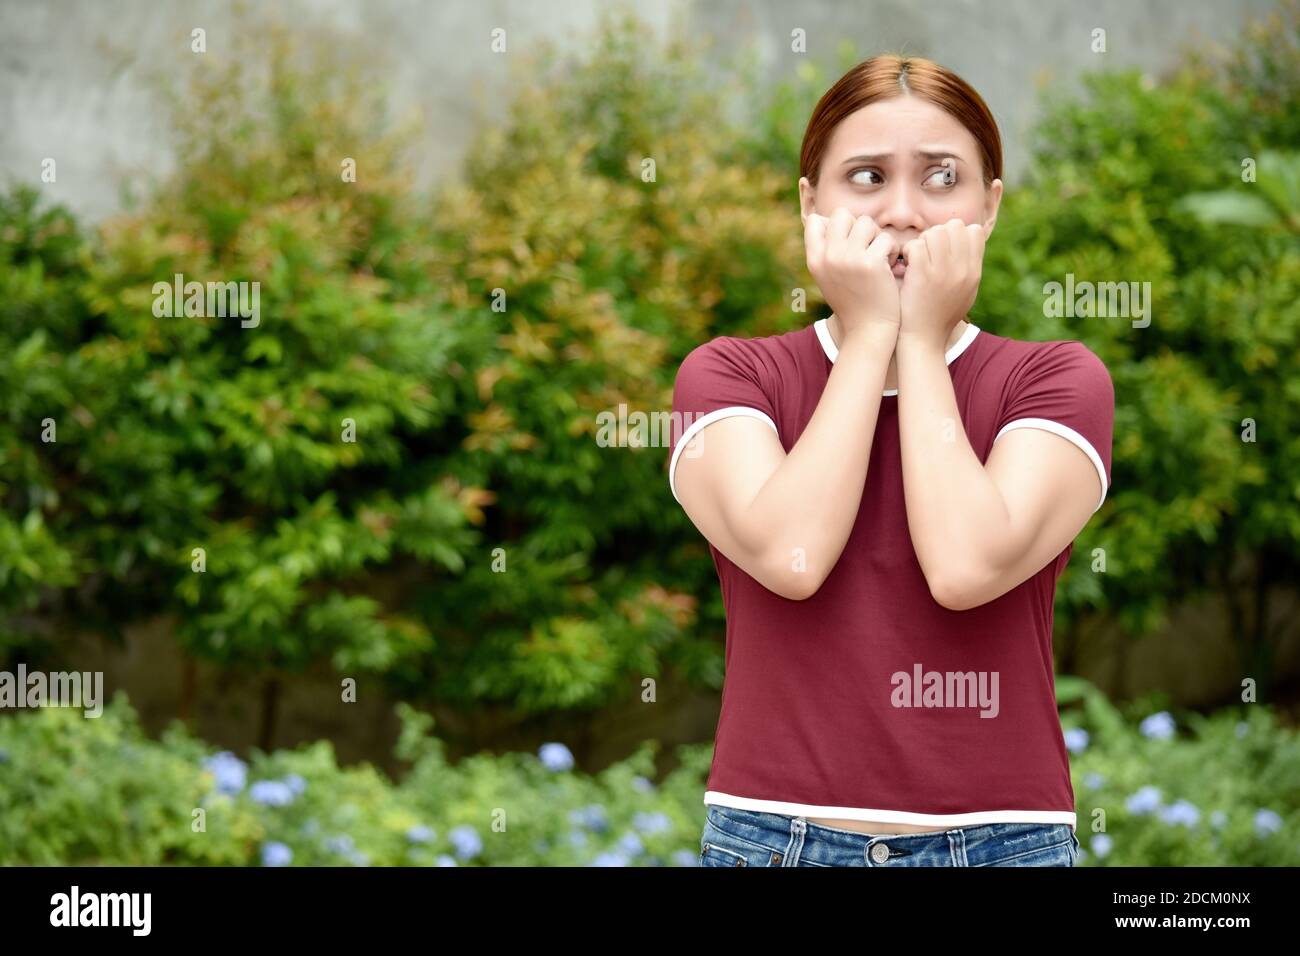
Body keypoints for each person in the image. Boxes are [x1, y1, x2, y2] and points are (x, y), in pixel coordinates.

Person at [669, 53, 1113, 867]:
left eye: (942, 178)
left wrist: (918, 340)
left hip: (1005, 843)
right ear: (811, 203)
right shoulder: (730, 376)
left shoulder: (1054, 380)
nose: (903, 211)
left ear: (989, 206)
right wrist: (873, 332)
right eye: (866, 176)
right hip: (770, 839)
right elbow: (788, 556)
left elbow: (965, 564)